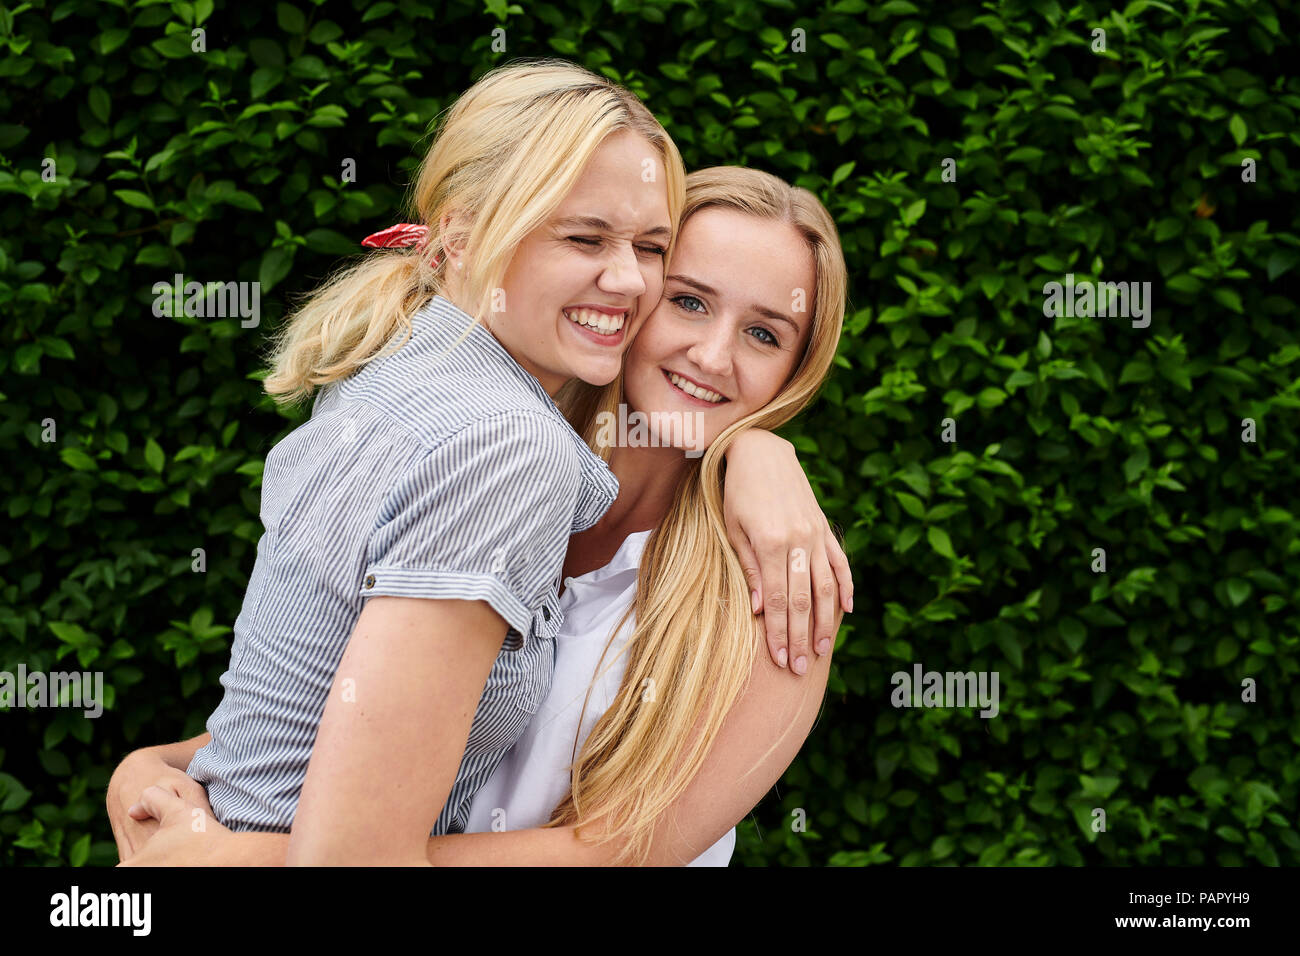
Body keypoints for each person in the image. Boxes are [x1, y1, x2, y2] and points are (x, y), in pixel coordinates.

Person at [107, 61, 849, 865]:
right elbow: (348, 715)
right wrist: (154, 770)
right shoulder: (496, 454)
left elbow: (617, 853)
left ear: (796, 370)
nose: (712, 354)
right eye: (690, 300)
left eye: (765, 333)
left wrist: (247, 858)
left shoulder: (780, 583)